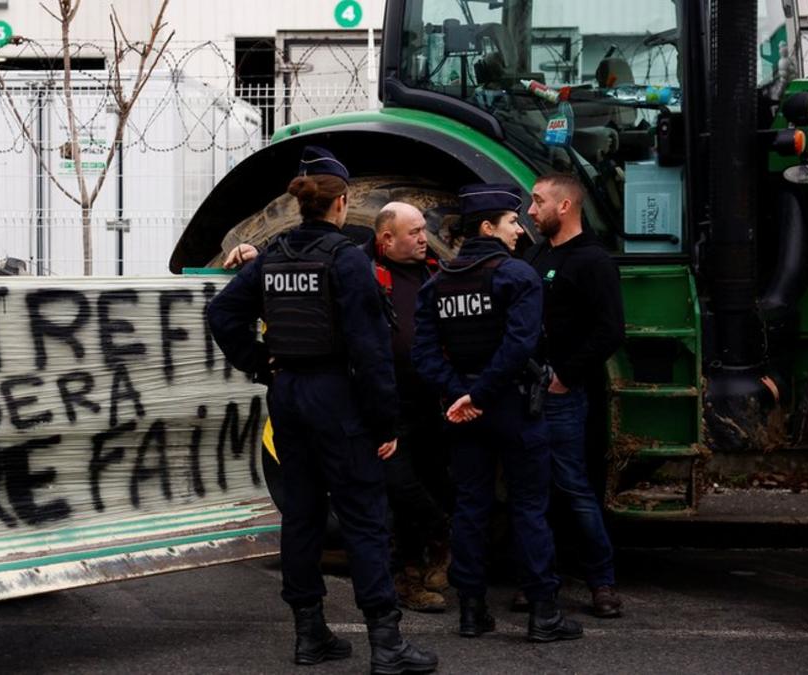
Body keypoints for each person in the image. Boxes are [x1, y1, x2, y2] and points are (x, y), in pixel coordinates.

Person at [208, 146, 438, 673]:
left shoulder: (273, 256)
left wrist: (261, 364)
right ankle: (387, 645)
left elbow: (223, 314)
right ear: (342, 203)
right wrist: (385, 422)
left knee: (302, 516)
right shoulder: (347, 259)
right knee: (365, 518)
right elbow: (371, 351)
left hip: (288, 397)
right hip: (338, 400)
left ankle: (309, 635)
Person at [411, 183, 583, 642]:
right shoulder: (517, 276)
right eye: (511, 221)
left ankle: (471, 612)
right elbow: (520, 345)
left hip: (464, 411)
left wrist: (461, 395)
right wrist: (482, 395)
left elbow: (423, 353)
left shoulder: (437, 283)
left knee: (470, 507)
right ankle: (543, 614)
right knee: (529, 507)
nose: (519, 229)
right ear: (487, 227)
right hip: (511, 405)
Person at [525, 173, 626, 618]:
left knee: (572, 487)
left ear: (564, 207)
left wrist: (565, 377)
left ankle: (601, 582)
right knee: (533, 491)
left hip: (561, 395)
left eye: (538, 201)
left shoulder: (593, 261)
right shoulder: (536, 254)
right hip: (527, 391)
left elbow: (611, 330)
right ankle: (539, 583)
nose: (531, 210)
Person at [373, 203, 452, 613]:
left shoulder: (434, 273)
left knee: (434, 481)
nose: (424, 238)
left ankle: (427, 566)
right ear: (387, 239)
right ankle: (412, 571)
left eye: (424, 230)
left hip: (430, 402)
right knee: (401, 490)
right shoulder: (364, 271)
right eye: (414, 232)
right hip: (388, 406)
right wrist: (256, 254)